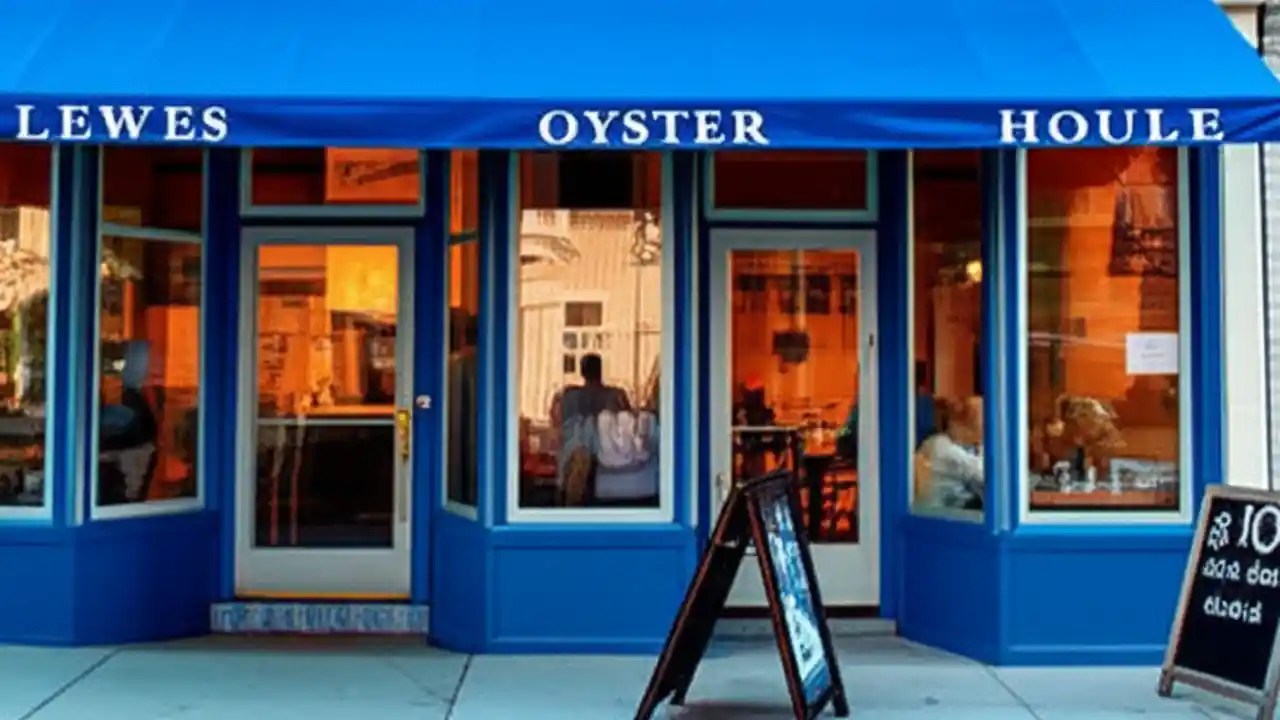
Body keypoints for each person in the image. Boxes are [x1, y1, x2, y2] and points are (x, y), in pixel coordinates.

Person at [916, 396, 984, 510]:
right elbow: (985, 475)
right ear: (959, 425)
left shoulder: (938, 441)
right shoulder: (944, 449)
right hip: (938, 516)